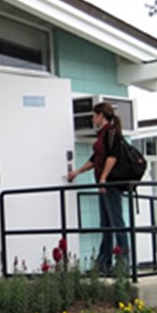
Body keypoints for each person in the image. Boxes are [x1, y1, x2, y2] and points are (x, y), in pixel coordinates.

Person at [67, 101, 129, 274]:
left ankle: (123, 263)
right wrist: (78, 171)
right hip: (104, 184)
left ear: (101, 116)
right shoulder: (102, 135)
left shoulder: (111, 133)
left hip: (111, 184)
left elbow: (112, 156)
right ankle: (104, 262)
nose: (93, 118)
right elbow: (96, 159)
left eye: (94, 115)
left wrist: (103, 178)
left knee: (116, 222)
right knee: (106, 224)